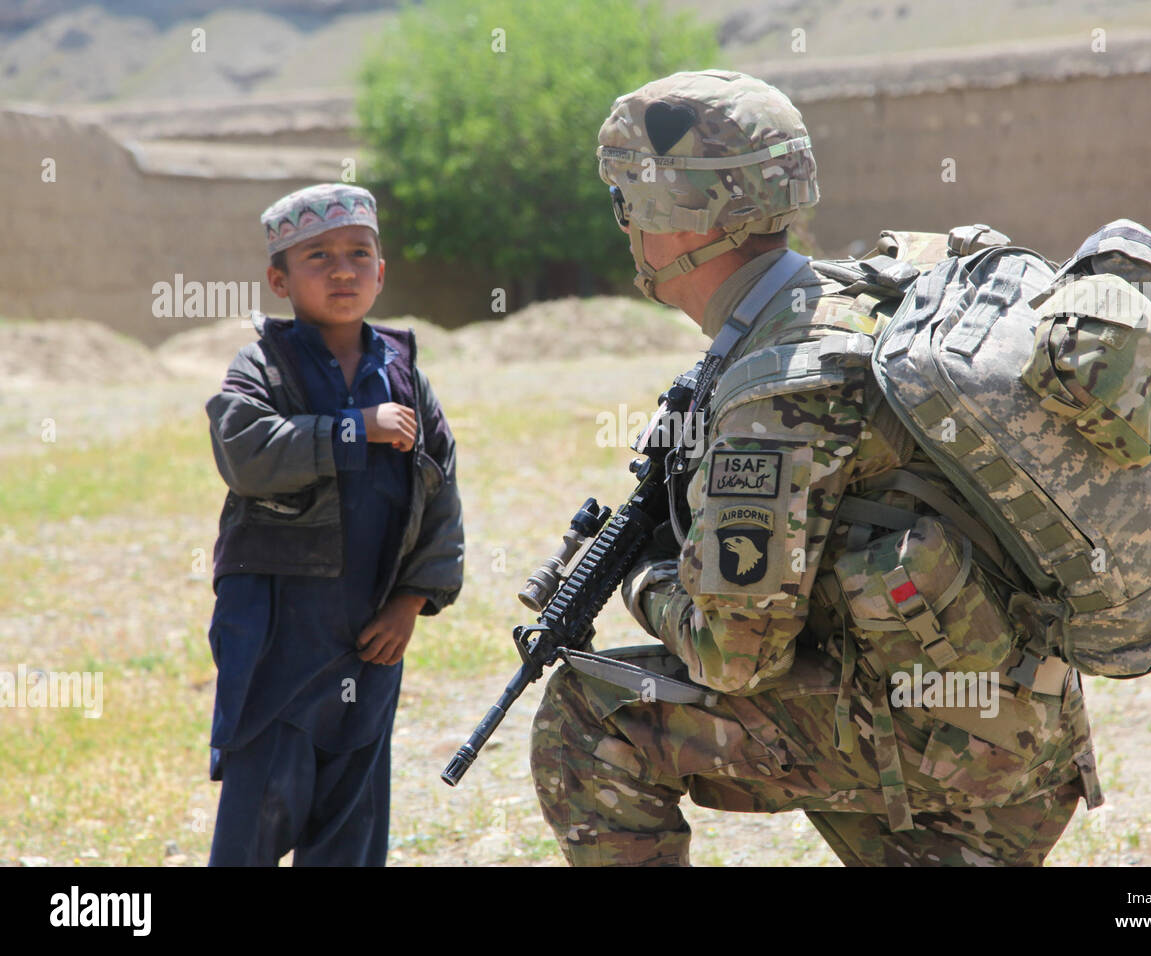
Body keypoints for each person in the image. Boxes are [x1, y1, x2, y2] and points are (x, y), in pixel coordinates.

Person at [529, 70, 1102, 866]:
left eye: (628, 199)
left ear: (671, 213)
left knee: (589, 713)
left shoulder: (780, 387)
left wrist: (640, 577)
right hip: (1023, 734)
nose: (624, 224)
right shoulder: (866, 300)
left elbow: (734, 656)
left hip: (945, 751)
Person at [204, 182, 464, 866]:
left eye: (358, 253)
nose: (342, 270)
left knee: (352, 818)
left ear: (381, 271)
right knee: (258, 814)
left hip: (368, 638)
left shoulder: (404, 374)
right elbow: (246, 455)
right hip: (277, 638)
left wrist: (412, 601)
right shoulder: (262, 366)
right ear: (279, 279)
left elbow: (440, 488)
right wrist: (354, 431)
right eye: (317, 256)